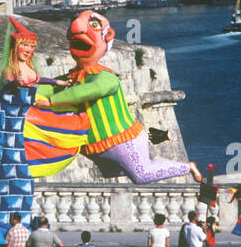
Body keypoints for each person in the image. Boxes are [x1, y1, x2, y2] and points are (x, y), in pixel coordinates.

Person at [32, 11, 203, 185]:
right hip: (97, 148)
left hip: (123, 141)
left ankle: (187, 167)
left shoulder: (106, 78)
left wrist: (51, 101)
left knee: (141, 174)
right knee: (111, 174)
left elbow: (90, 90)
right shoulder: (72, 78)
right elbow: (50, 87)